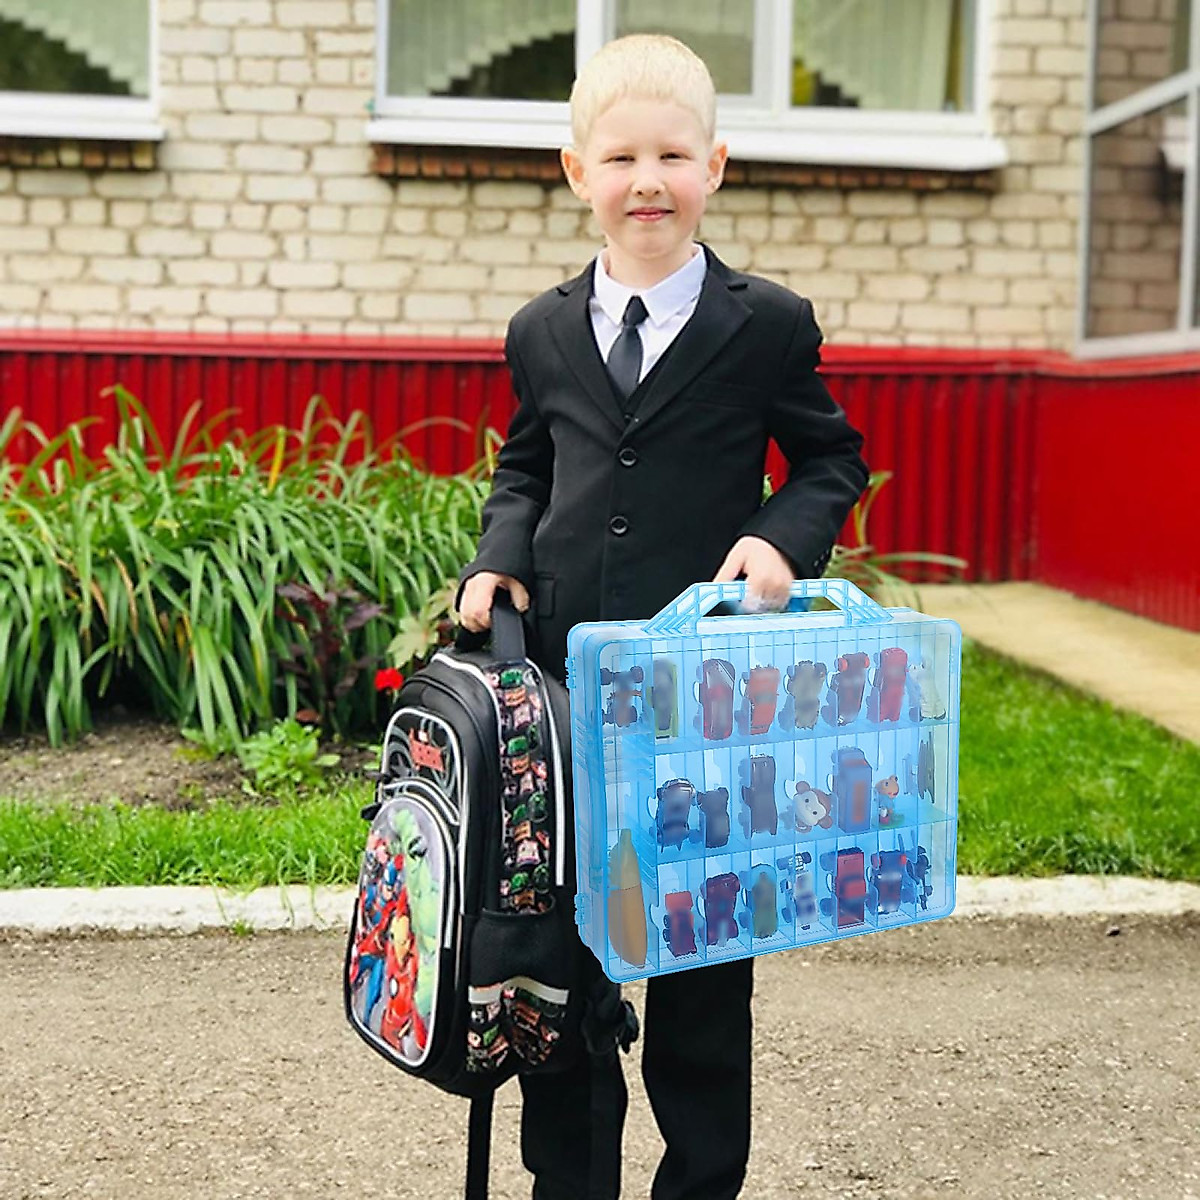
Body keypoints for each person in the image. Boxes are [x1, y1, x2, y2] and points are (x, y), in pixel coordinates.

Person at [457, 33, 869, 1200]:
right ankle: (570, 1182)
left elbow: (831, 462)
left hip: (705, 704)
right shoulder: (542, 329)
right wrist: (498, 560)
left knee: (701, 972)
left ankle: (700, 1181)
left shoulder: (766, 323)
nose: (649, 181)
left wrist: (780, 541)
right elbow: (526, 468)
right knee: (564, 966)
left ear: (715, 167)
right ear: (577, 172)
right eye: (623, 158)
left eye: (674, 157)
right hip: (566, 695)